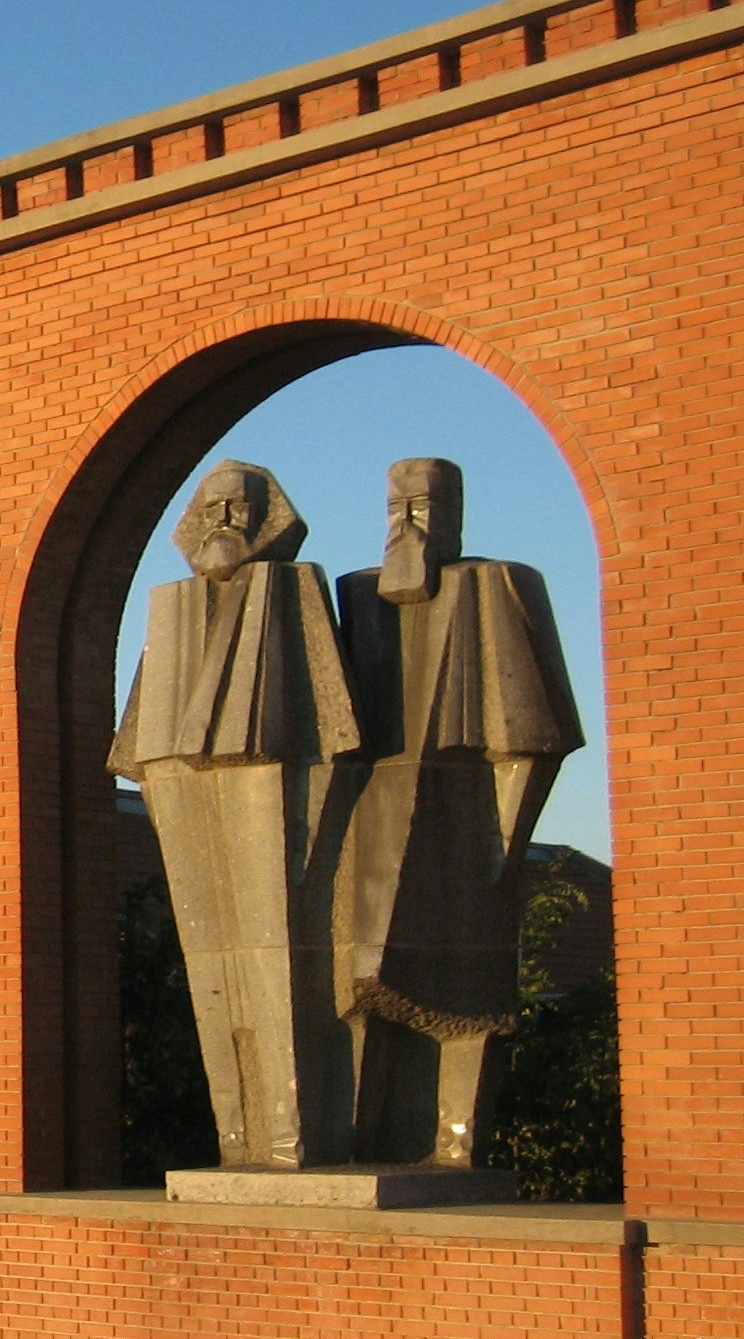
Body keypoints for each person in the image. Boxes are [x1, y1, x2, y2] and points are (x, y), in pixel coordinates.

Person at [332, 458, 582, 1165]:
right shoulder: (358, 598)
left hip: (466, 823)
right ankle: (358, 1141)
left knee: (465, 1003)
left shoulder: (494, 585)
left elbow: (534, 737)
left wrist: (505, 837)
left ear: (455, 511)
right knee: (360, 995)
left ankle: (455, 1147)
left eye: (424, 503)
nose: (408, 519)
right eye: (397, 504)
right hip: (369, 821)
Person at [111, 461, 361, 1168]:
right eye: (213, 510)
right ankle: (237, 1139)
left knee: (282, 959)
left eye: (240, 511)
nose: (225, 525)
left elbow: (335, 728)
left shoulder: (291, 587)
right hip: (177, 772)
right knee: (210, 965)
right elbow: (137, 740)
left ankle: (291, 1138)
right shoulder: (174, 604)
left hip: (272, 769)